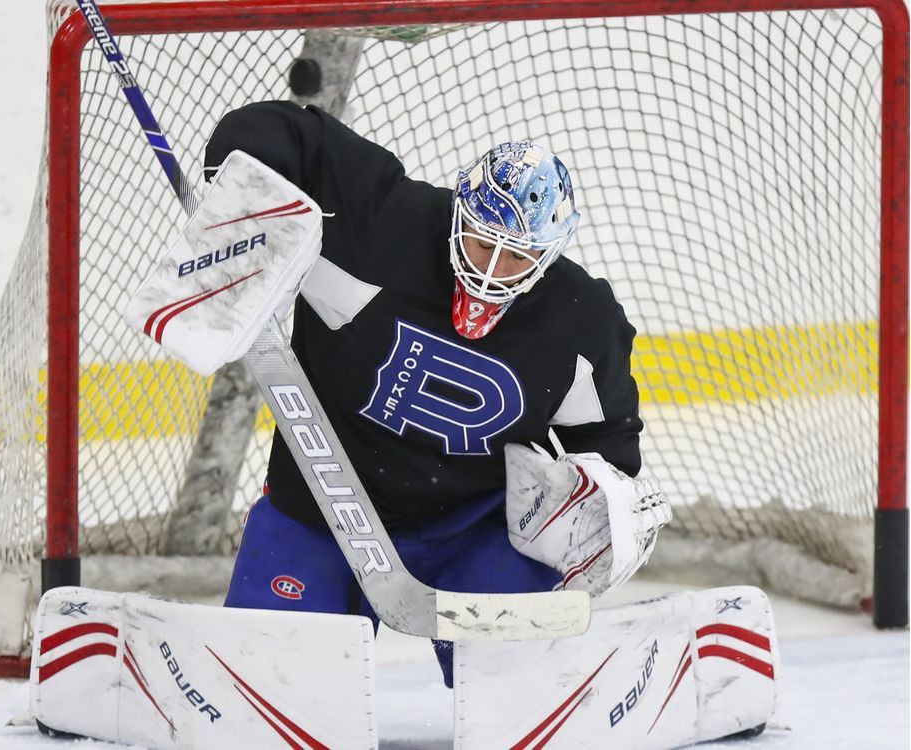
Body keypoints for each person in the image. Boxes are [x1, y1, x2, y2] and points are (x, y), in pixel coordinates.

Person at [205, 101, 645, 687]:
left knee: (521, 690)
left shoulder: (582, 324)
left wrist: (598, 508)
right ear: (458, 212)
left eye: (517, 257)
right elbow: (282, 132)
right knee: (269, 684)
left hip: (469, 531)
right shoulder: (382, 222)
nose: (492, 269)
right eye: (483, 242)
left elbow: (610, 448)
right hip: (321, 511)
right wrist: (243, 197)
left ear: (549, 255)